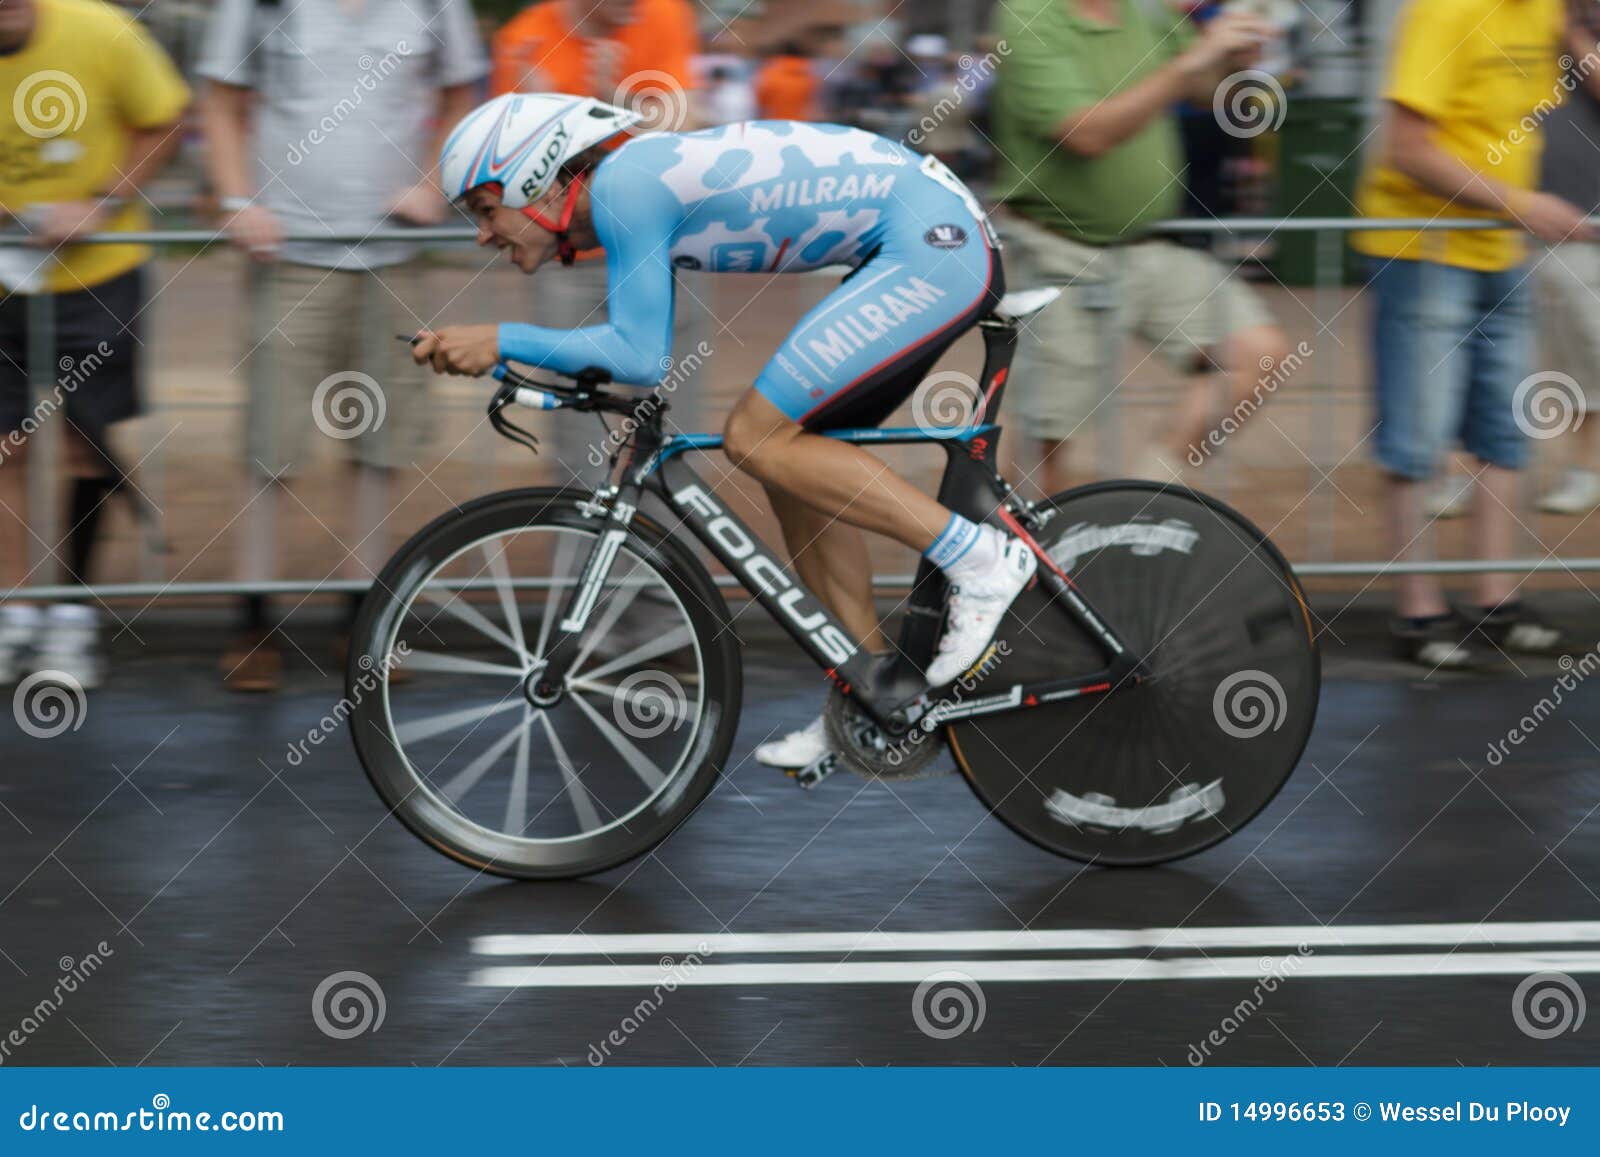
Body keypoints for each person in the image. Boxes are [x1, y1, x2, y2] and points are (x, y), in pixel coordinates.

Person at [413, 97, 1035, 770]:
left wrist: (498, 340)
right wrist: (511, 355)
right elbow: (634, 355)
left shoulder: (626, 184)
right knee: (789, 463)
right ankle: (876, 692)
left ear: (537, 177)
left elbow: (639, 355)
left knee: (756, 437)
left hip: (932, 245)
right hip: (918, 240)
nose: (481, 234)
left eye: (483, 209)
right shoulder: (627, 194)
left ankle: (981, 560)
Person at [196, 0, 487, 692]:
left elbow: (461, 92)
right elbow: (219, 97)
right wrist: (238, 200)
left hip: (393, 256)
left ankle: (362, 621)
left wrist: (432, 181)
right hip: (289, 253)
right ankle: (253, 622)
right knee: (272, 442)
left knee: (378, 446)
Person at [1353, 0, 1590, 668]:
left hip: (1498, 245)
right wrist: (1525, 204)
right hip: (1422, 246)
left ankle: (1495, 601)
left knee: (1504, 431)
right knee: (1416, 435)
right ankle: (1418, 613)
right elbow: (1408, 149)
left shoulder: (1546, 13)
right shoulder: (1443, 12)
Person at [990, 0, 1292, 494]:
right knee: (1046, 439)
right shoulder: (1029, 15)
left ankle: (1140, 502)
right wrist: (1191, 64)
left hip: (1146, 246)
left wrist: (1232, 60)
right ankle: (1022, 560)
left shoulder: (1144, 10)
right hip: (1056, 248)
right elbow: (1086, 133)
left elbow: (1202, 87)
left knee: (1258, 353)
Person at [0, 0, 189, 688]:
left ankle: (73, 613)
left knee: (87, 442)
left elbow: (166, 118)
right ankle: (16, 608)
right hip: (3, 277)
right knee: (6, 444)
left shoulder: (100, 29)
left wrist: (104, 201)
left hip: (97, 275)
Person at [1531, 4, 1600, 515]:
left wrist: (1572, 34)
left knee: (1591, 350)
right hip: (1534, 219)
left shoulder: (1569, 28)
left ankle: (1587, 469)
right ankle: (1471, 469)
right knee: (1564, 358)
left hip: (1587, 222)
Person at [754, 43, 820, 122]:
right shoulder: (811, 74)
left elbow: (761, 100)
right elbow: (816, 101)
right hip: (803, 122)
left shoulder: (769, 73)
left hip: (774, 121)